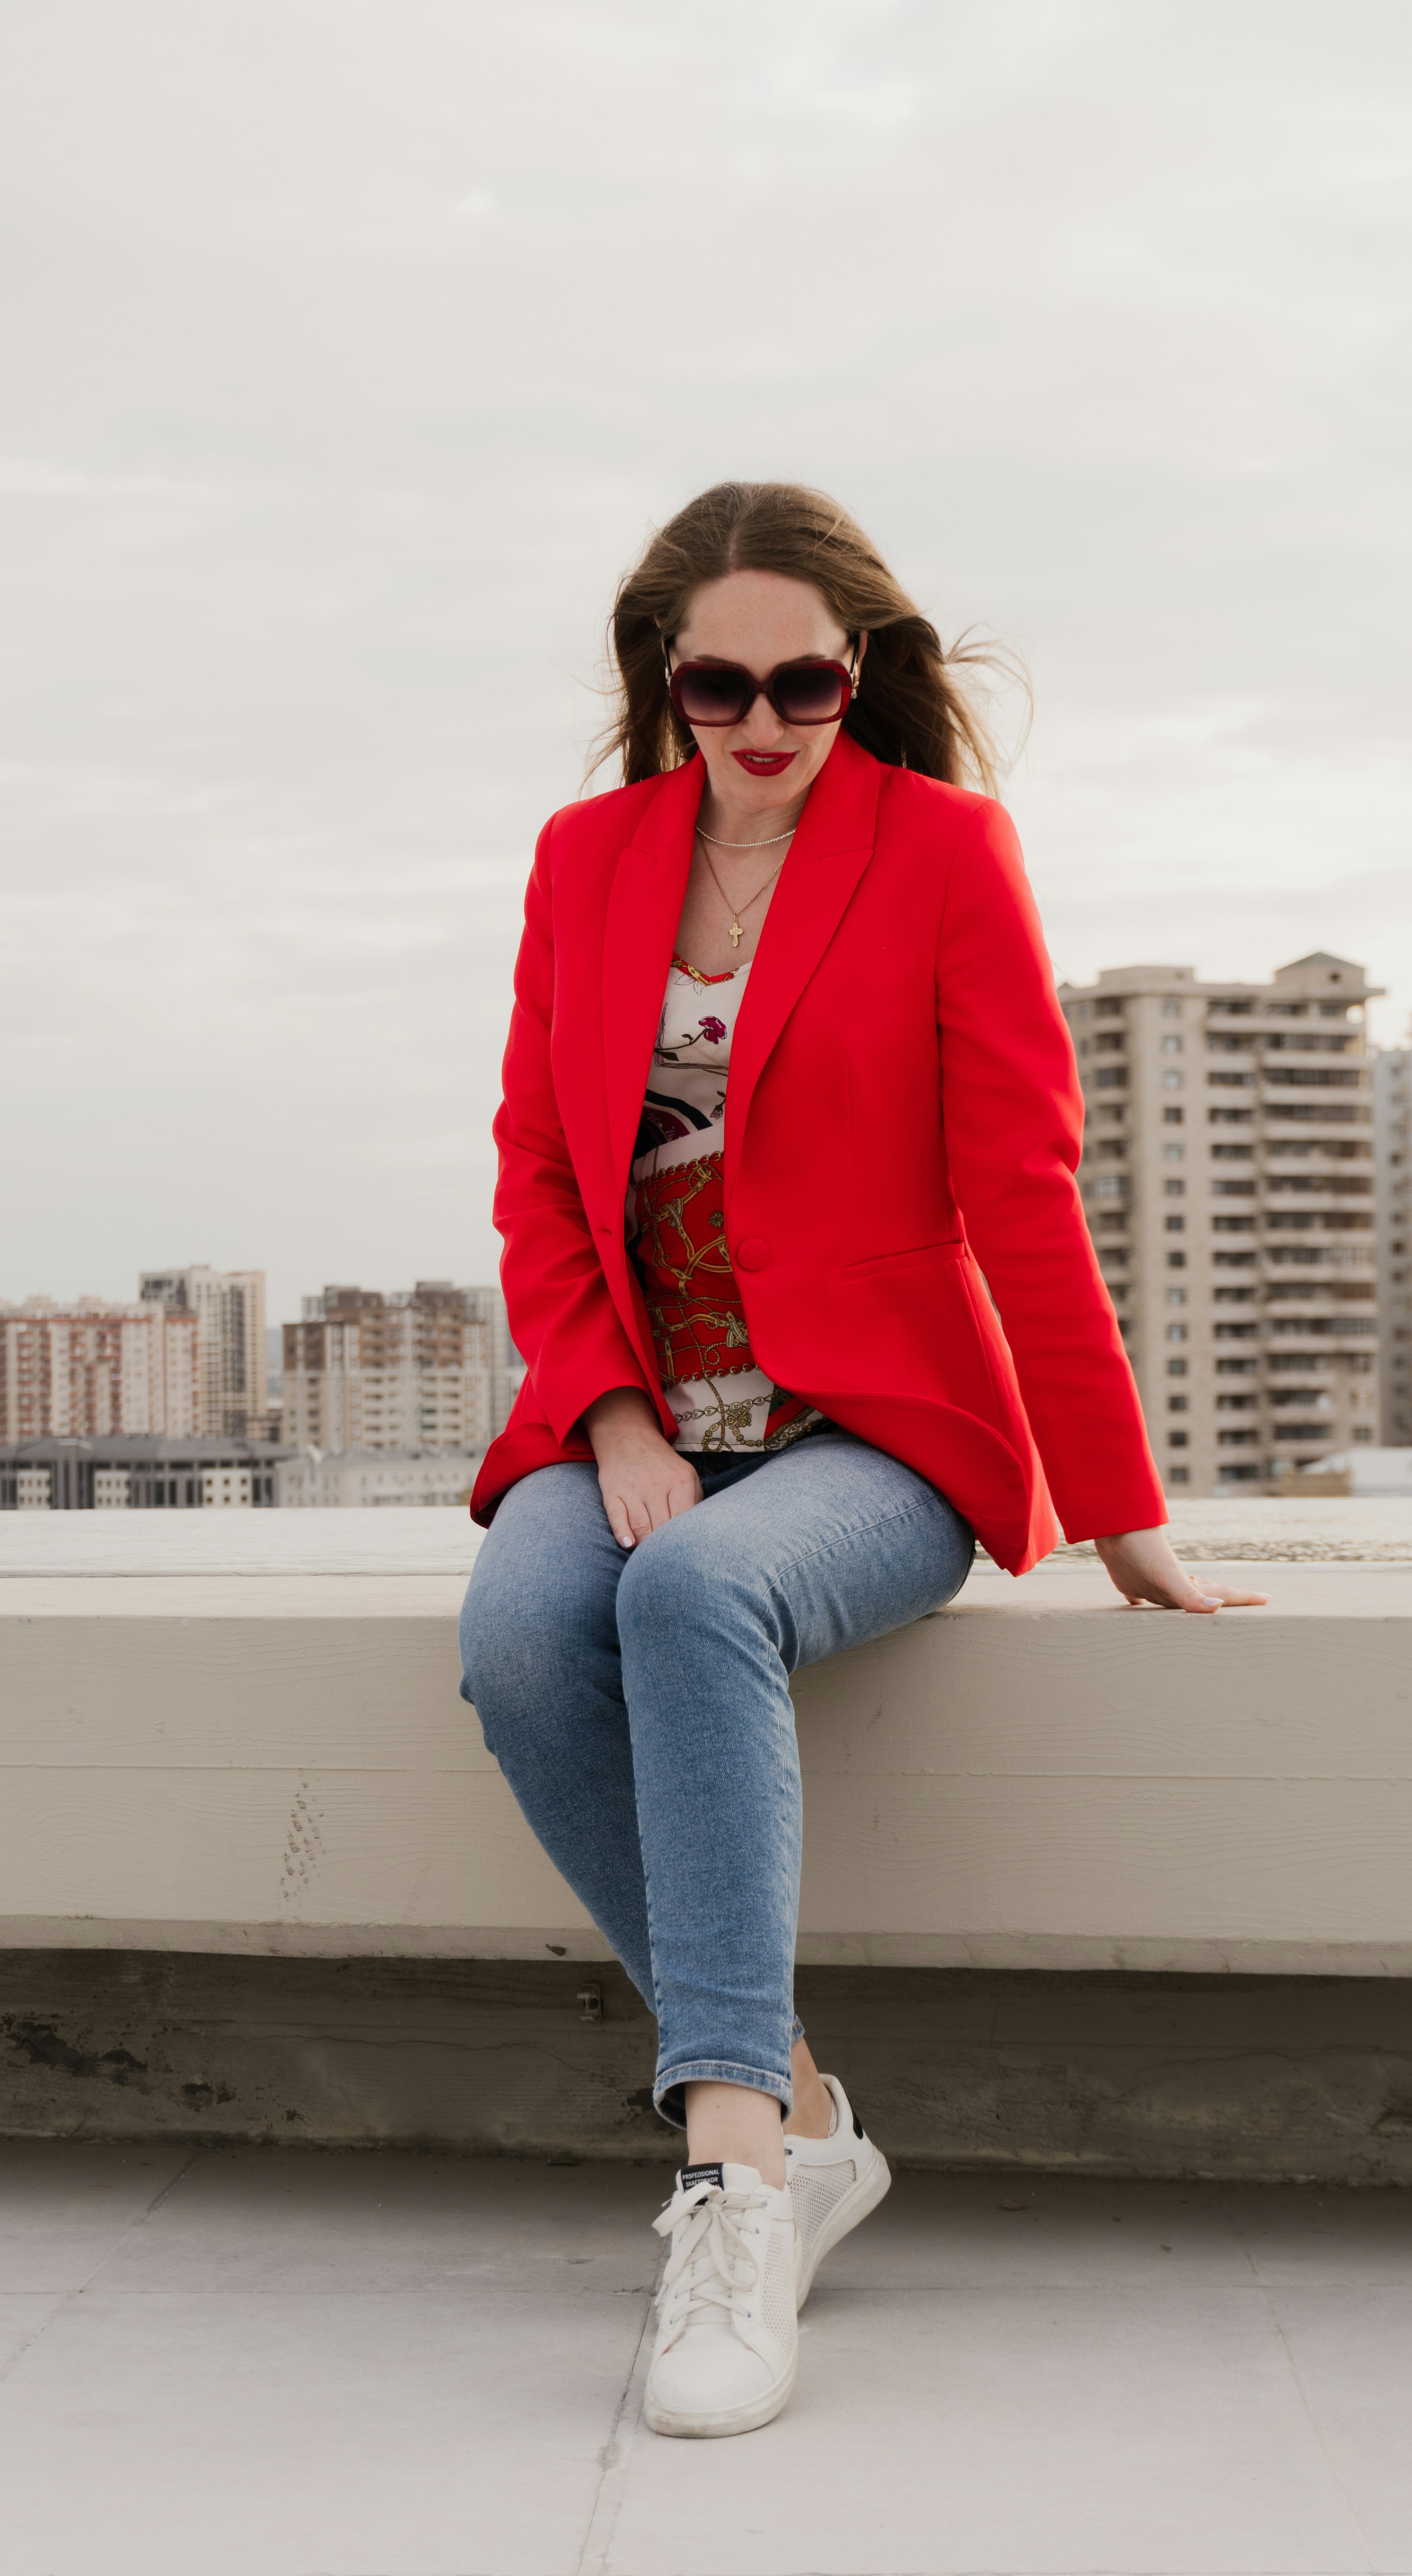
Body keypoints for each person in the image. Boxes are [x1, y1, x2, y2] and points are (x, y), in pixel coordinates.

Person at [458, 480, 1264, 2440]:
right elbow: (543, 1178)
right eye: (718, 679)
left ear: (860, 674)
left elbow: (1024, 1191)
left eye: (802, 680)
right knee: (516, 1634)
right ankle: (801, 2108)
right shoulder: (589, 858)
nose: (758, 719)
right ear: (665, 675)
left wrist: (1121, 1517)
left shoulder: (941, 853)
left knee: (697, 1587)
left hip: (869, 1430)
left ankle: (732, 2178)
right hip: (639, 1412)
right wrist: (622, 1420)